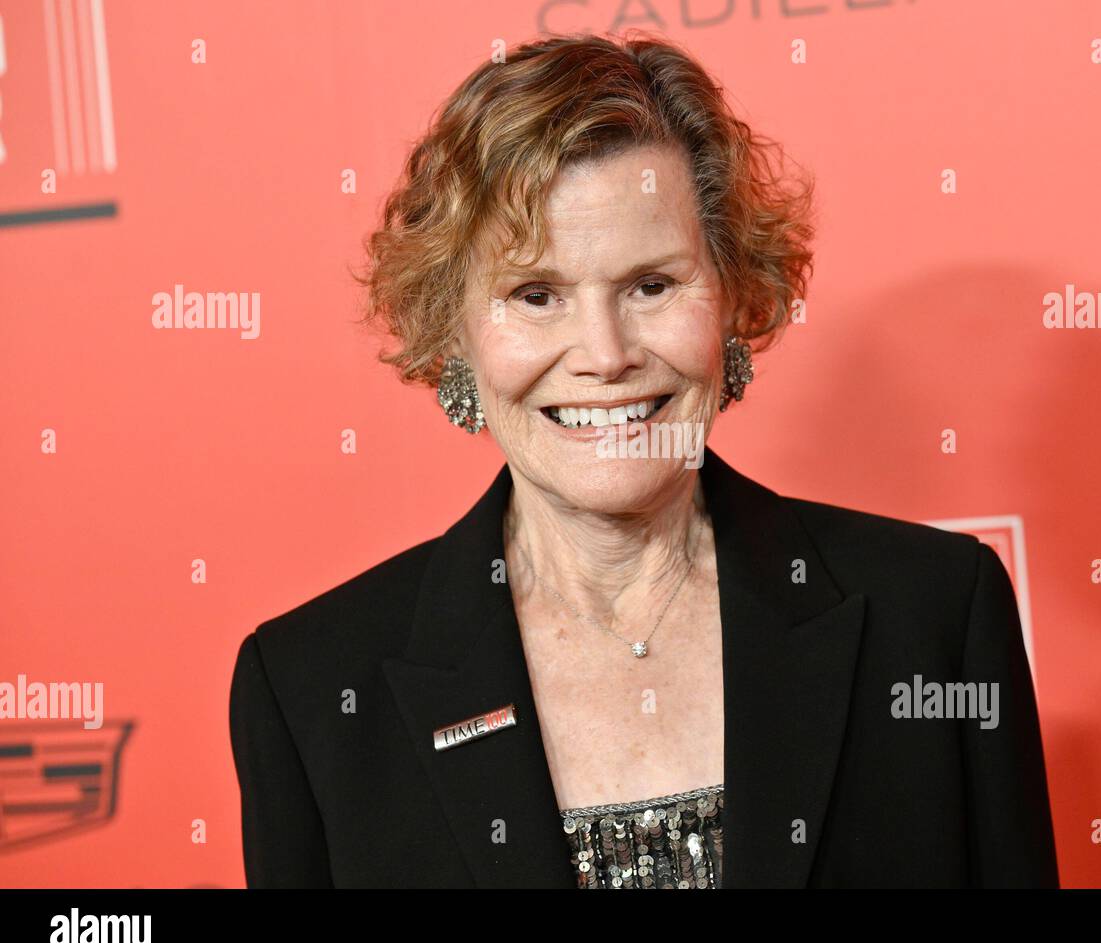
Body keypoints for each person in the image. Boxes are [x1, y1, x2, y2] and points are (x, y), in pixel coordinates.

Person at [229, 32, 1058, 889]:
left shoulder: (933, 619)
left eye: (652, 285)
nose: (606, 354)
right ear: (455, 334)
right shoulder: (312, 690)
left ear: (733, 296)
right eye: (536, 295)